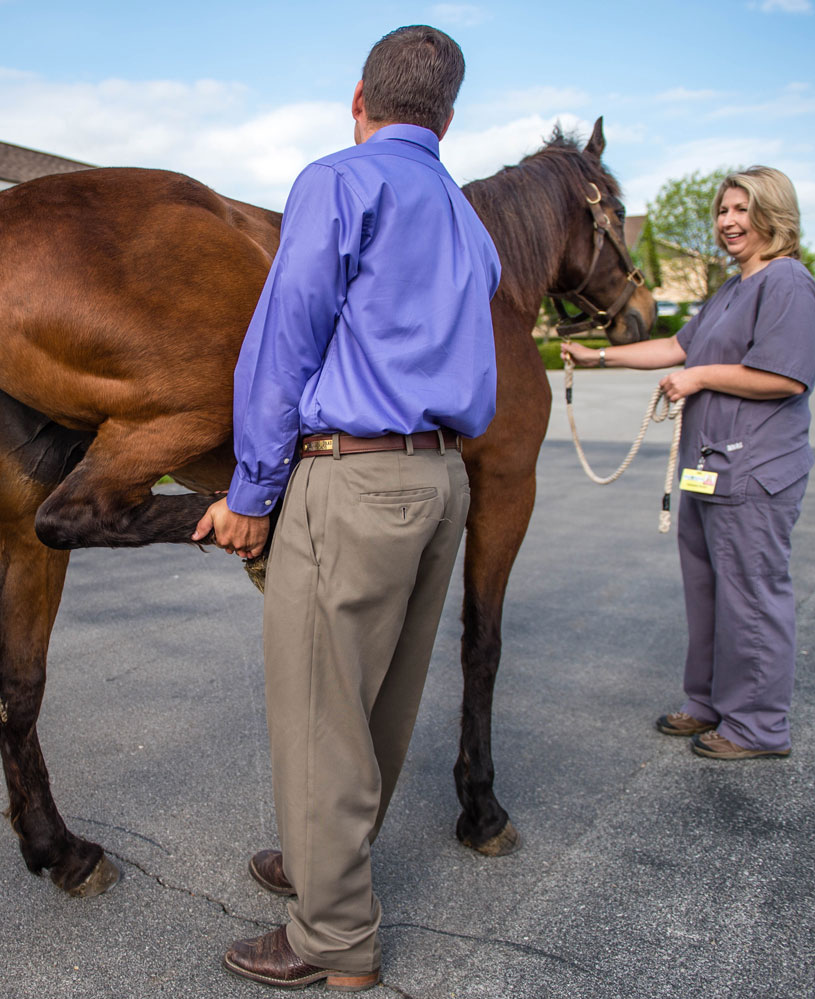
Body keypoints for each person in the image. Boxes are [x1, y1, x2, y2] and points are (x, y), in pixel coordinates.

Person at [193, 25, 499, 991]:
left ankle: (333, 937)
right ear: (448, 118)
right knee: (380, 703)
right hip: (441, 479)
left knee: (322, 709)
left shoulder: (341, 180)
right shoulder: (467, 217)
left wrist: (252, 491)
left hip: (356, 479)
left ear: (359, 99)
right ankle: (323, 860)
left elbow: (286, 339)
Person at [562, 165, 815, 761]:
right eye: (723, 211)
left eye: (742, 210)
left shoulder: (787, 283)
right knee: (708, 592)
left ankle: (757, 726)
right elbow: (677, 347)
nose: (728, 222)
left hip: (755, 471)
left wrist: (699, 377)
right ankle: (708, 702)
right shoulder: (732, 288)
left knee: (751, 597)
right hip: (708, 468)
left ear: (773, 215)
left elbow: (785, 377)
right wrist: (596, 356)